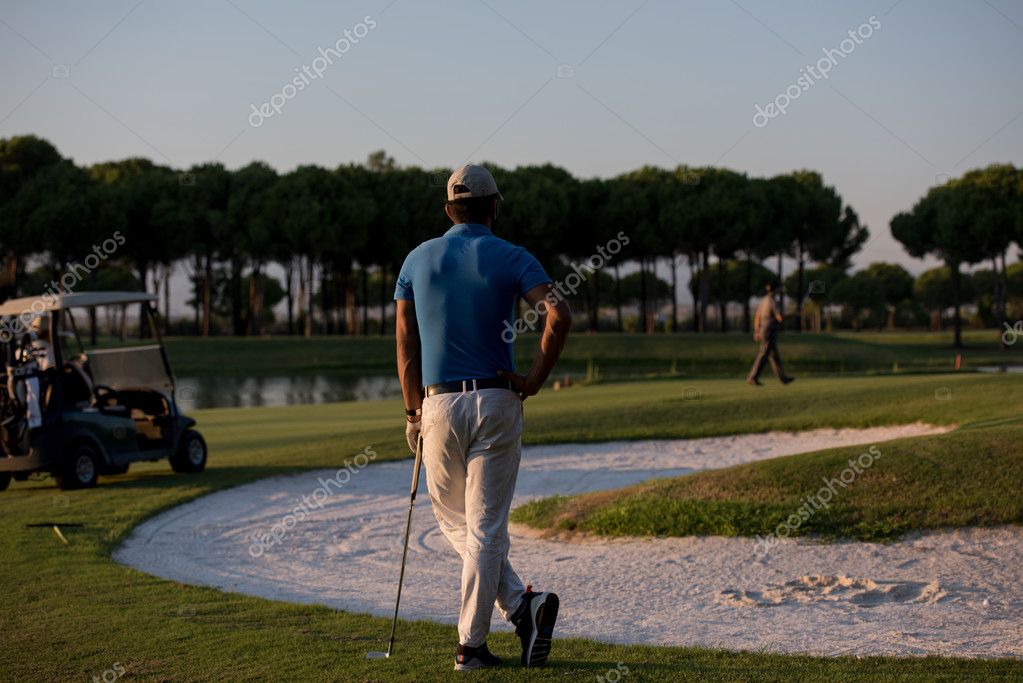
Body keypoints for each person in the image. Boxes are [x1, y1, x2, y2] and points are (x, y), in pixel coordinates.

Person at [394, 164, 572, 671]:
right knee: (484, 528)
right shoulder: (513, 255)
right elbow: (560, 315)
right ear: (494, 208)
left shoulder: (416, 259)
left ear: (449, 209)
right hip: (497, 399)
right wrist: (533, 381)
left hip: (438, 404)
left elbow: (406, 342)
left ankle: (475, 641)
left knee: (462, 524)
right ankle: (521, 608)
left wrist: (412, 411)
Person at [747, 283, 794, 386]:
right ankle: (752, 377)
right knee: (764, 354)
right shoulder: (773, 301)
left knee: (774, 356)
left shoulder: (763, 300)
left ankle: (783, 378)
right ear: (775, 290)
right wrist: (793, 315)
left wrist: (756, 331)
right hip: (770, 331)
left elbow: (757, 316)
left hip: (763, 329)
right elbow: (779, 317)